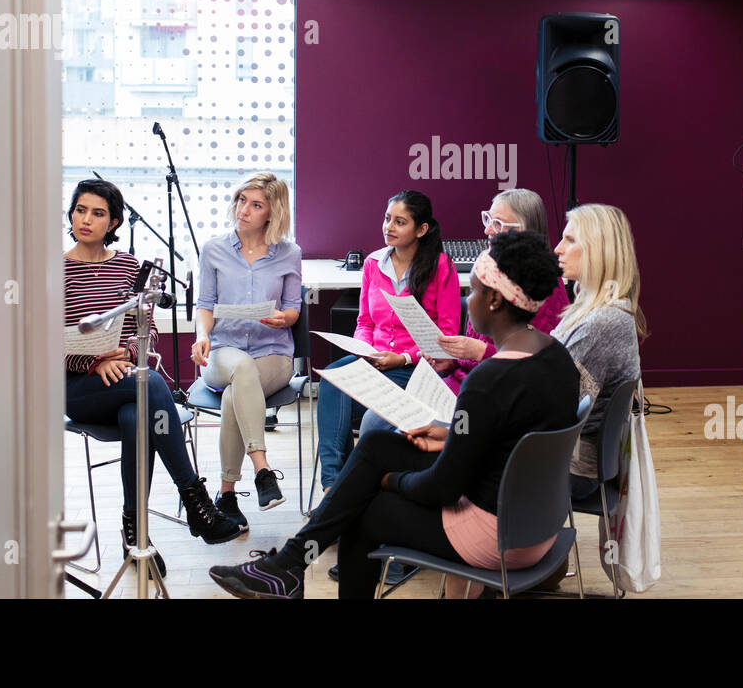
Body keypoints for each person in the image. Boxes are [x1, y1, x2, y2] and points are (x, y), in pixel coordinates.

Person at [208, 230, 577, 599]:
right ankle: (288, 566)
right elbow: (514, 434)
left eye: (474, 291)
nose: (468, 300)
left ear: (495, 300)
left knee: (364, 513)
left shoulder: (488, 380)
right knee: (376, 445)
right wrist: (451, 434)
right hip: (537, 522)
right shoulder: (556, 358)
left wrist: (390, 481)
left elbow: (443, 487)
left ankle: (287, 568)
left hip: (497, 535)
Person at [63, 179, 243, 578]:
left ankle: (135, 533)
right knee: (152, 384)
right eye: (80, 210)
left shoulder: (128, 266)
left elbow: (146, 327)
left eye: (97, 213)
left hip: (125, 376)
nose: (86, 219)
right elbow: (45, 343)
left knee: (136, 417)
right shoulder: (55, 270)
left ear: (113, 222)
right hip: (77, 387)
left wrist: (126, 353)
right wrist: (92, 363)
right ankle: (195, 501)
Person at [314, 190, 460, 491]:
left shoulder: (441, 266)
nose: (388, 227)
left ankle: (339, 487)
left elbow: (446, 338)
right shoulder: (372, 264)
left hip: (415, 367)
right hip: (374, 361)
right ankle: (334, 484)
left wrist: (403, 357)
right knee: (332, 380)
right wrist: (364, 349)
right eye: (387, 218)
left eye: (400, 222)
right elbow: (364, 322)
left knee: (345, 412)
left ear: (421, 230)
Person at [190, 172, 301, 524]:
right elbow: (204, 304)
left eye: (256, 205)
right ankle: (262, 468)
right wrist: (201, 335)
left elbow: (293, 307)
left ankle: (226, 497)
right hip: (223, 351)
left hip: (274, 355)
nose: (244, 210)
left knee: (234, 393)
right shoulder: (214, 249)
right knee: (240, 369)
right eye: (242, 201)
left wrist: (284, 318)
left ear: (273, 212)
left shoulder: (290, 253)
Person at [551, 203, 648, 502]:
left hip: (570, 468)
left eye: (569, 240)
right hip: (570, 458)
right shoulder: (596, 310)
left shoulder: (600, 323)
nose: (557, 249)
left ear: (598, 250)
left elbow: (556, 406)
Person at [431, 188, 570, 393]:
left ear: (524, 230)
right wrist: (454, 360)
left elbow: (535, 367)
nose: (488, 230)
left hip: (493, 390)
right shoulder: (491, 270)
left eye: (497, 223)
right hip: (468, 382)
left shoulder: (544, 287)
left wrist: (480, 351)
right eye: (488, 219)